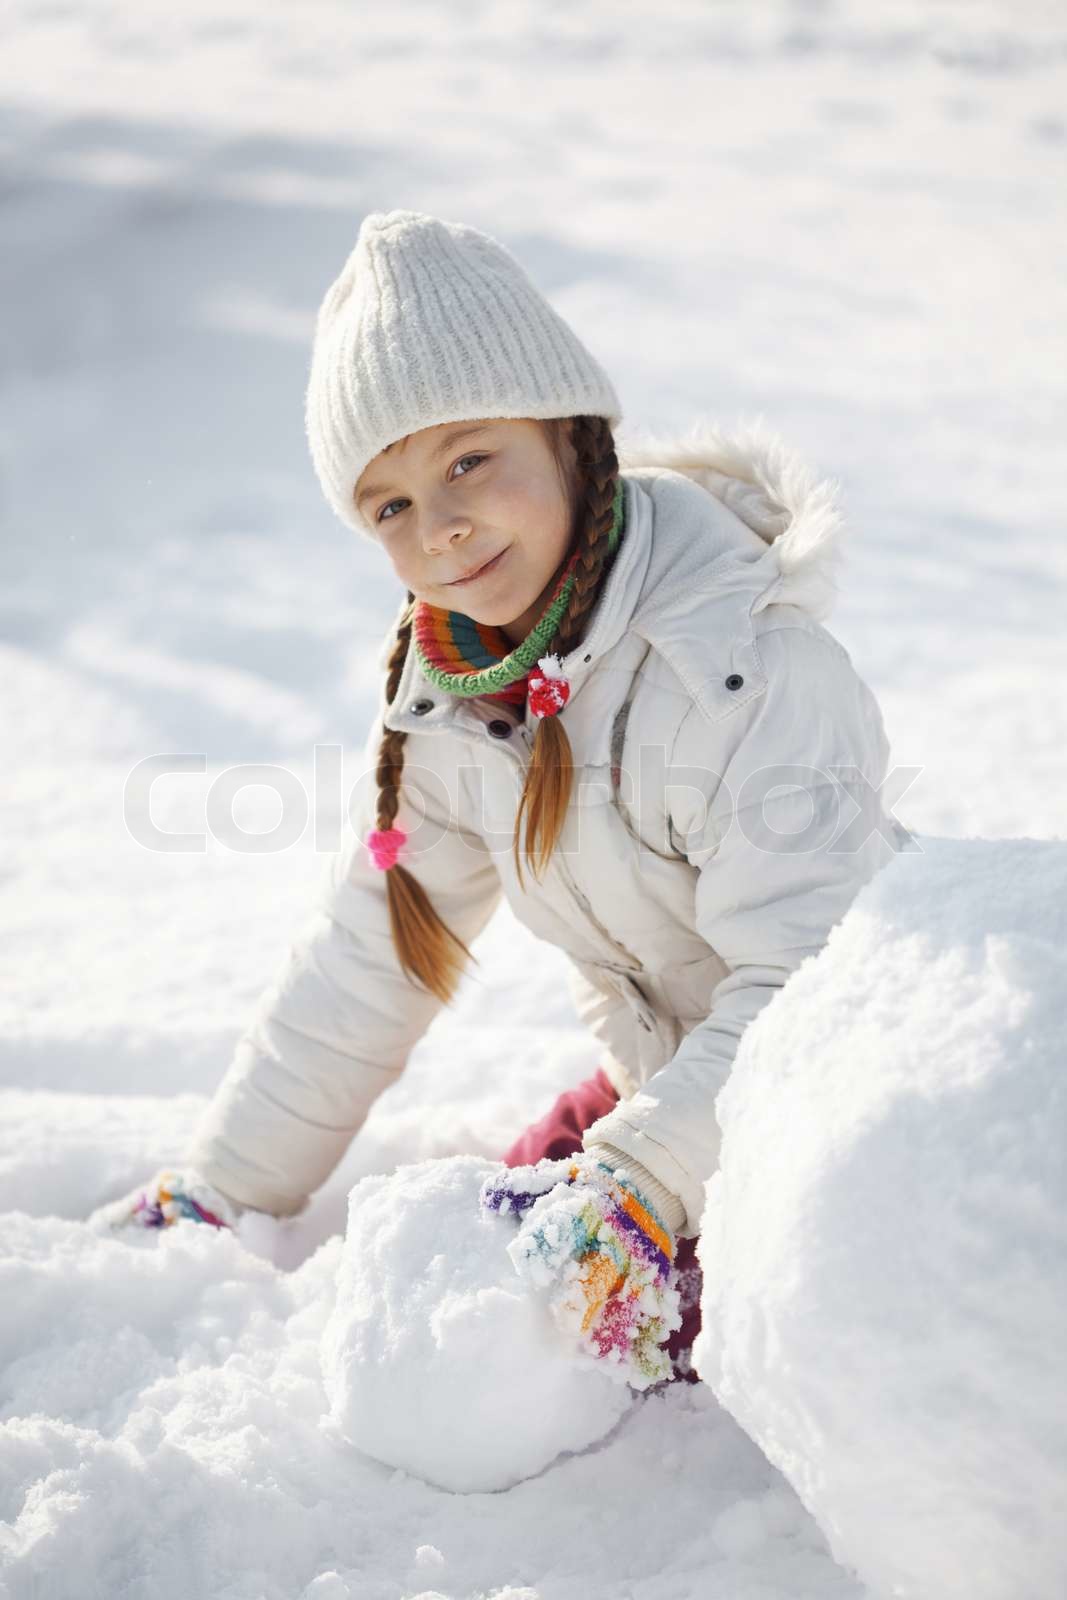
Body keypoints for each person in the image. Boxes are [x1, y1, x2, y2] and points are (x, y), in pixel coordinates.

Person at [90, 209, 903, 1390]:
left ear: (569, 433)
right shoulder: (459, 698)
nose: (440, 527)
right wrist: (229, 1184)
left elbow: (807, 987)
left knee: (576, 1361)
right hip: (662, 1097)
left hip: (826, 1109)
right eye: (389, 505)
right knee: (464, 1287)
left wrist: (641, 1181)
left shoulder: (742, 670)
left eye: (467, 461)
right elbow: (370, 957)